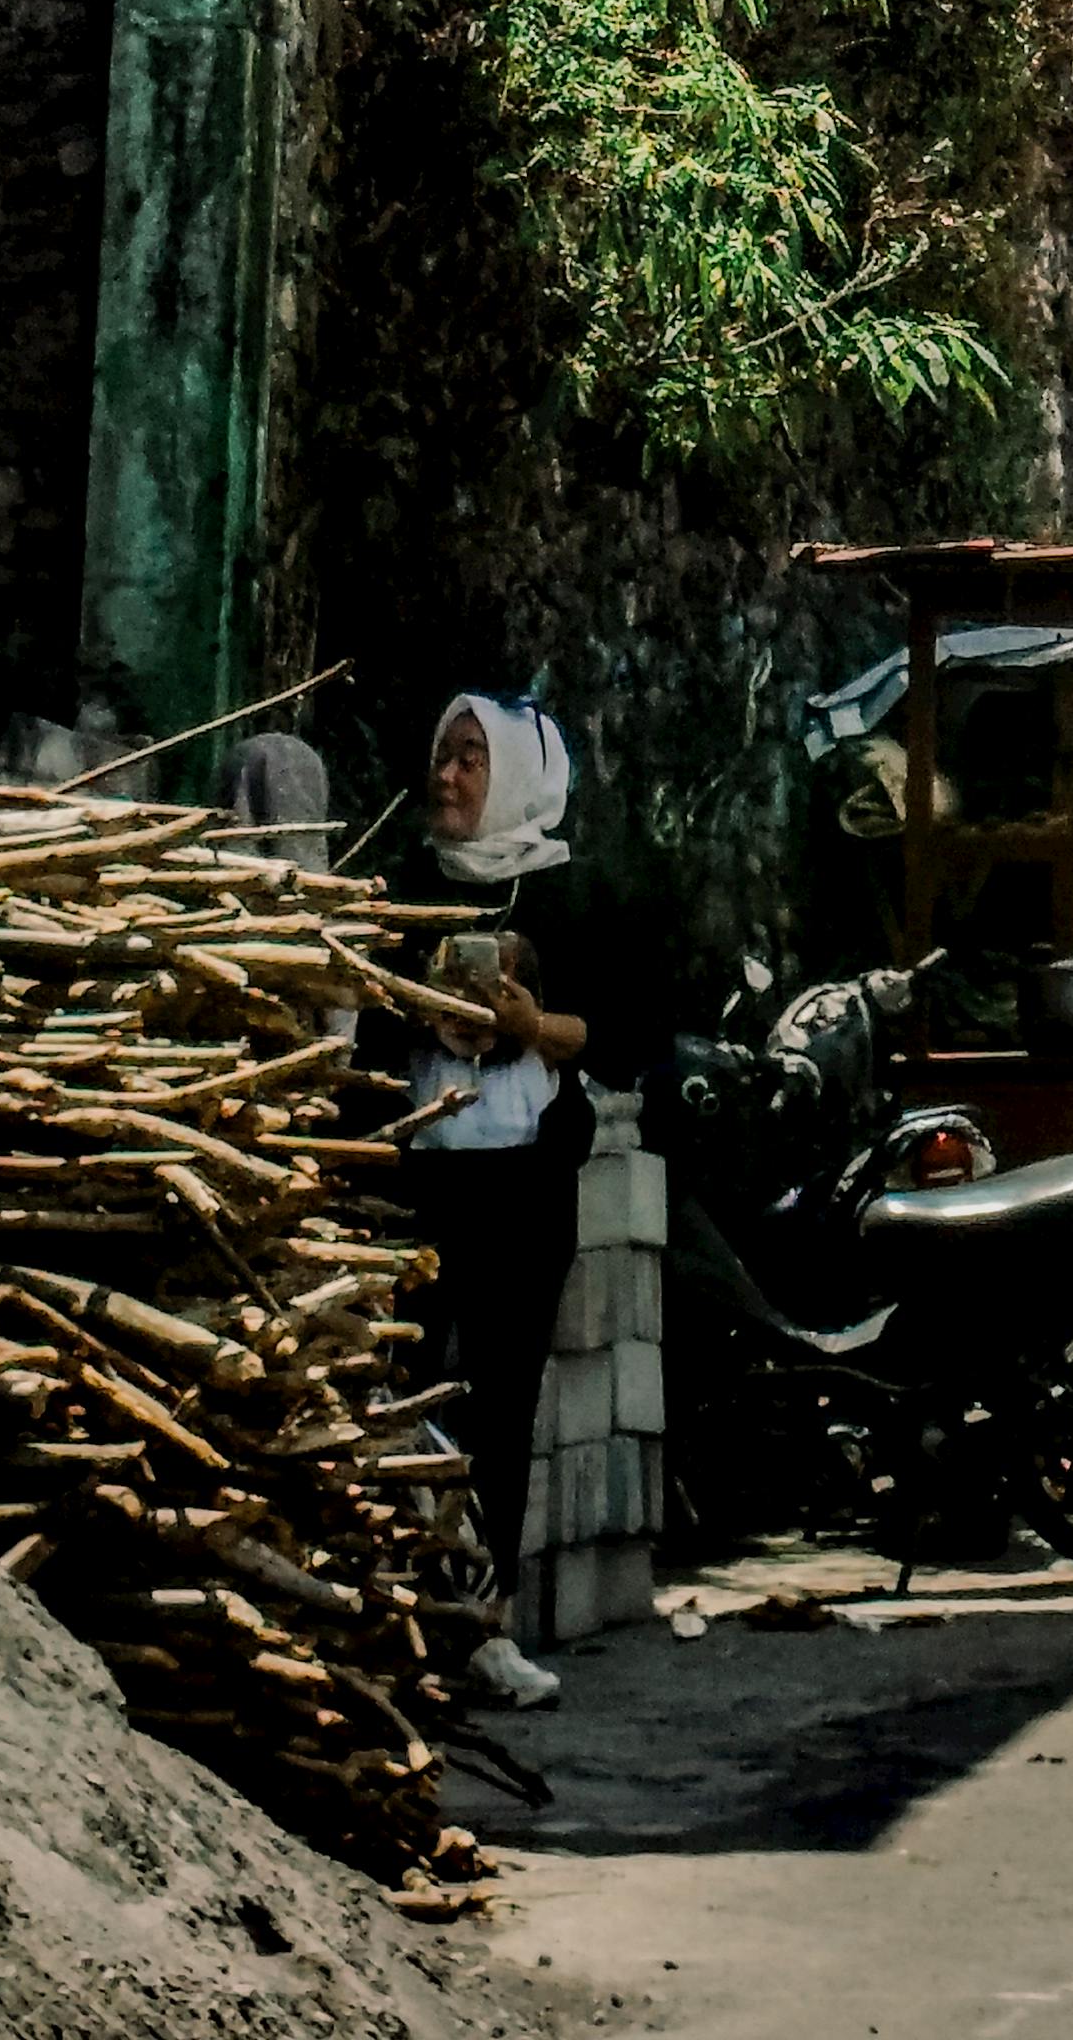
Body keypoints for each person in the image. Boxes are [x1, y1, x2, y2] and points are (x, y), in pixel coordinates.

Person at [398, 688, 602, 1708]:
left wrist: (524, 1025)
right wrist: (422, 1008)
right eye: (445, 753)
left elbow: (600, 1032)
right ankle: (399, 1614)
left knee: (501, 1405)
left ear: (516, 775)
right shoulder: (403, 885)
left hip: (522, 1189)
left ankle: (489, 1626)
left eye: (472, 758)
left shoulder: (560, 893)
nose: (448, 775)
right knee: (399, 1391)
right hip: (420, 1180)